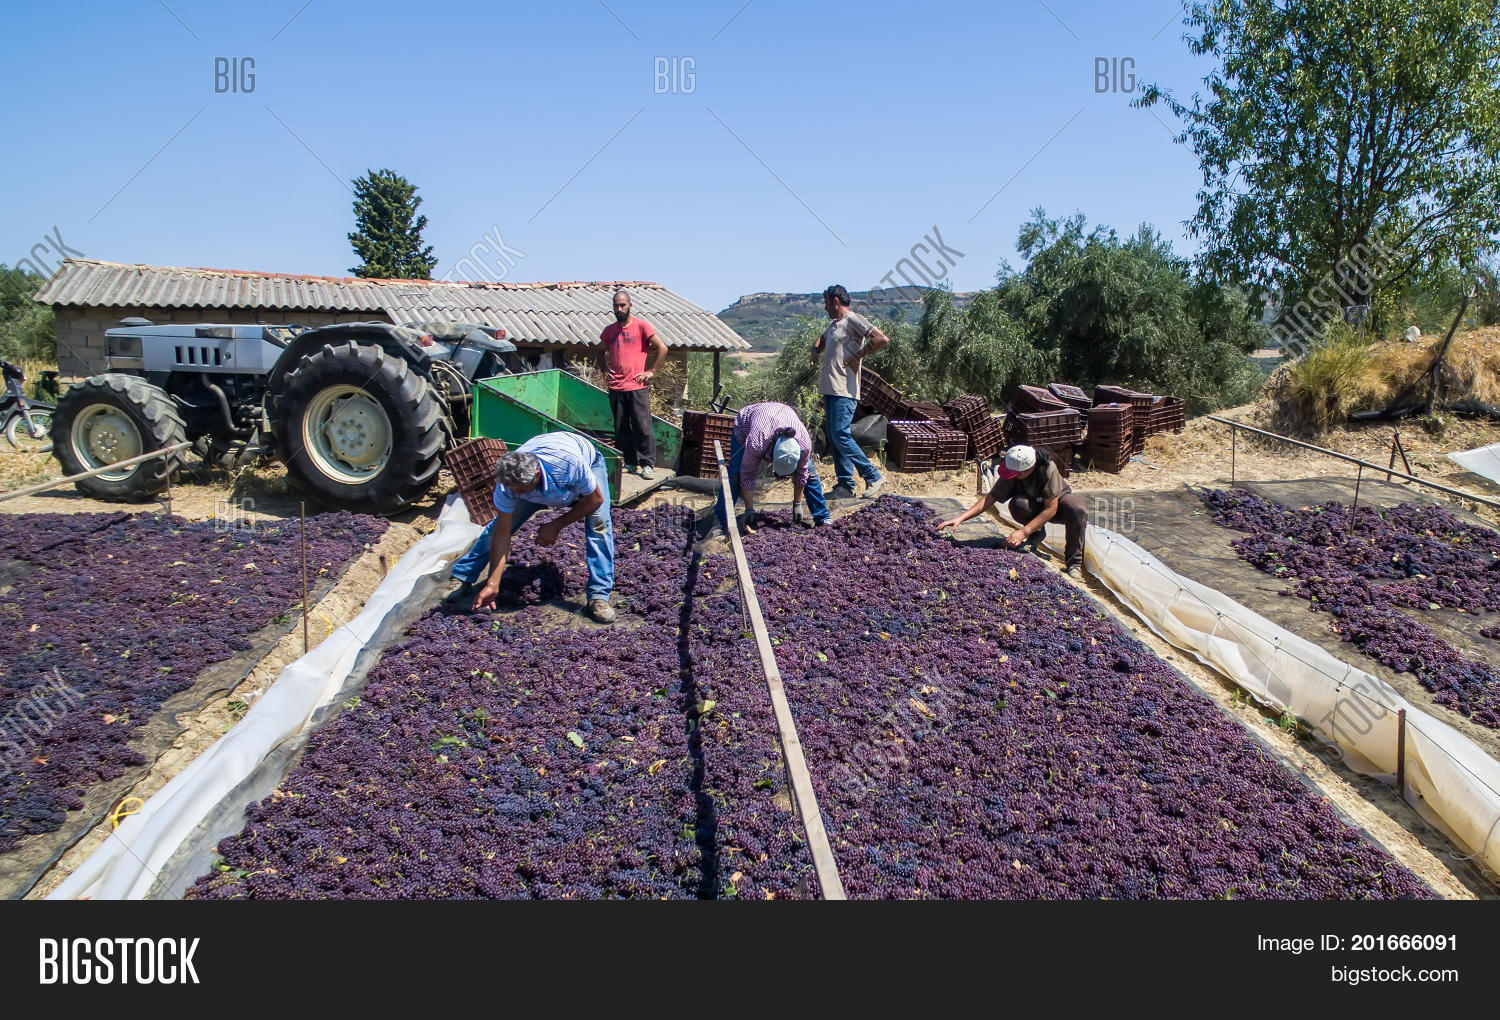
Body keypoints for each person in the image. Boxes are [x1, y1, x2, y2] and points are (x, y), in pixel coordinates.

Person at [449, 431, 617, 622]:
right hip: (542, 480)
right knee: (494, 529)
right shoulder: (509, 485)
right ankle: (464, 577)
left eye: (520, 489)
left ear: (536, 475)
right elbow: (502, 533)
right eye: (512, 489)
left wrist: (556, 525)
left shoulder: (568, 464)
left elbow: (595, 499)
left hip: (585, 464)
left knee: (599, 525)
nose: (515, 493)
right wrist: (493, 582)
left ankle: (599, 596)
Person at [935, 444, 1088, 579]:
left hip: (1057, 504)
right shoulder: (1014, 469)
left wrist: (1022, 531)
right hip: (1033, 506)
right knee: (1019, 504)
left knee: (1078, 510)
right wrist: (960, 518)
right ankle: (1036, 535)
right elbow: (990, 498)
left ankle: (1073, 563)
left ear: (1029, 468)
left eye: (1018, 474)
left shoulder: (1047, 469)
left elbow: (1051, 508)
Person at [811, 284, 890, 500]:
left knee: (840, 434)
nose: (825, 307)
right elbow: (822, 339)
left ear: (835, 301)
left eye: (826, 302)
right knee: (835, 436)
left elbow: (881, 338)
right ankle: (845, 486)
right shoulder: (834, 325)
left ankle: (872, 475)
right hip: (831, 390)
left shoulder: (853, 319)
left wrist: (858, 355)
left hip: (844, 390)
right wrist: (814, 351)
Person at [714, 401, 831, 533]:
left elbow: (802, 475)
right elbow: (747, 474)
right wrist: (749, 509)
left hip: (782, 414)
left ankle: (822, 517)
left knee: (810, 473)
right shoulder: (757, 442)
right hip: (746, 424)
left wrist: (797, 504)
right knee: (736, 474)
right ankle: (720, 520)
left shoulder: (804, 445)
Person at [597, 289, 668, 479]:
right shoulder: (610, 331)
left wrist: (651, 371)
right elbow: (599, 351)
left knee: (642, 426)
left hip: (637, 386)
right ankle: (629, 462)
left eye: (623, 305)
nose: (619, 309)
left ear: (630, 306)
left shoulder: (642, 326)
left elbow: (663, 347)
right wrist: (605, 369)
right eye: (616, 306)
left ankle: (647, 464)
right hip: (616, 387)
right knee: (620, 429)